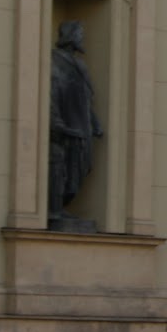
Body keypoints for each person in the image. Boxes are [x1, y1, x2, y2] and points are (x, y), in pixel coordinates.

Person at [49, 20, 102, 228]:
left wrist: (94, 121)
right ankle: (56, 208)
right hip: (67, 126)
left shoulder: (79, 64)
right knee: (63, 169)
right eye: (80, 35)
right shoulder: (55, 60)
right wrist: (57, 123)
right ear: (71, 37)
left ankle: (61, 206)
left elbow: (85, 95)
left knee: (83, 165)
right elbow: (53, 90)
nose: (82, 39)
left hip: (82, 125)